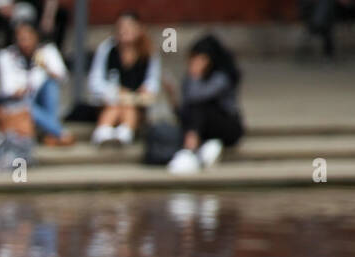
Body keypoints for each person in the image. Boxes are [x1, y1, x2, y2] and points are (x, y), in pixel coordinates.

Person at [166, 34, 244, 175]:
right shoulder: (192, 79)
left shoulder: (221, 78)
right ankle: (194, 151)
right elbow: (185, 110)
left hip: (228, 127)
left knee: (198, 108)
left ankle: (189, 151)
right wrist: (172, 96)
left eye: (199, 59)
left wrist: (195, 76)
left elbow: (196, 97)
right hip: (203, 128)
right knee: (194, 111)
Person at [0, 16, 74, 145]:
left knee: (51, 85)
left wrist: (46, 67)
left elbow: (63, 77)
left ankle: (51, 132)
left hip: (41, 99)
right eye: (20, 38)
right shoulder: (6, 55)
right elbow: (6, 89)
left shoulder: (47, 51)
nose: (24, 42)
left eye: (27, 38)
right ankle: (60, 132)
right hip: (19, 101)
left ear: (36, 37)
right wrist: (20, 91)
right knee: (26, 105)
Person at [88, 11, 160, 146]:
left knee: (129, 106)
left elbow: (152, 82)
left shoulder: (148, 52)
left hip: (135, 104)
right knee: (115, 106)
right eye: (121, 27)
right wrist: (115, 91)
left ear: (139, 29)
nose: (125, 31)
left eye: (130, 27)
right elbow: (95, 82)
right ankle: (104, 133)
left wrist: (145, 91)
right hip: (110, 102)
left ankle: (123, 135)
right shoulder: (107, 49)